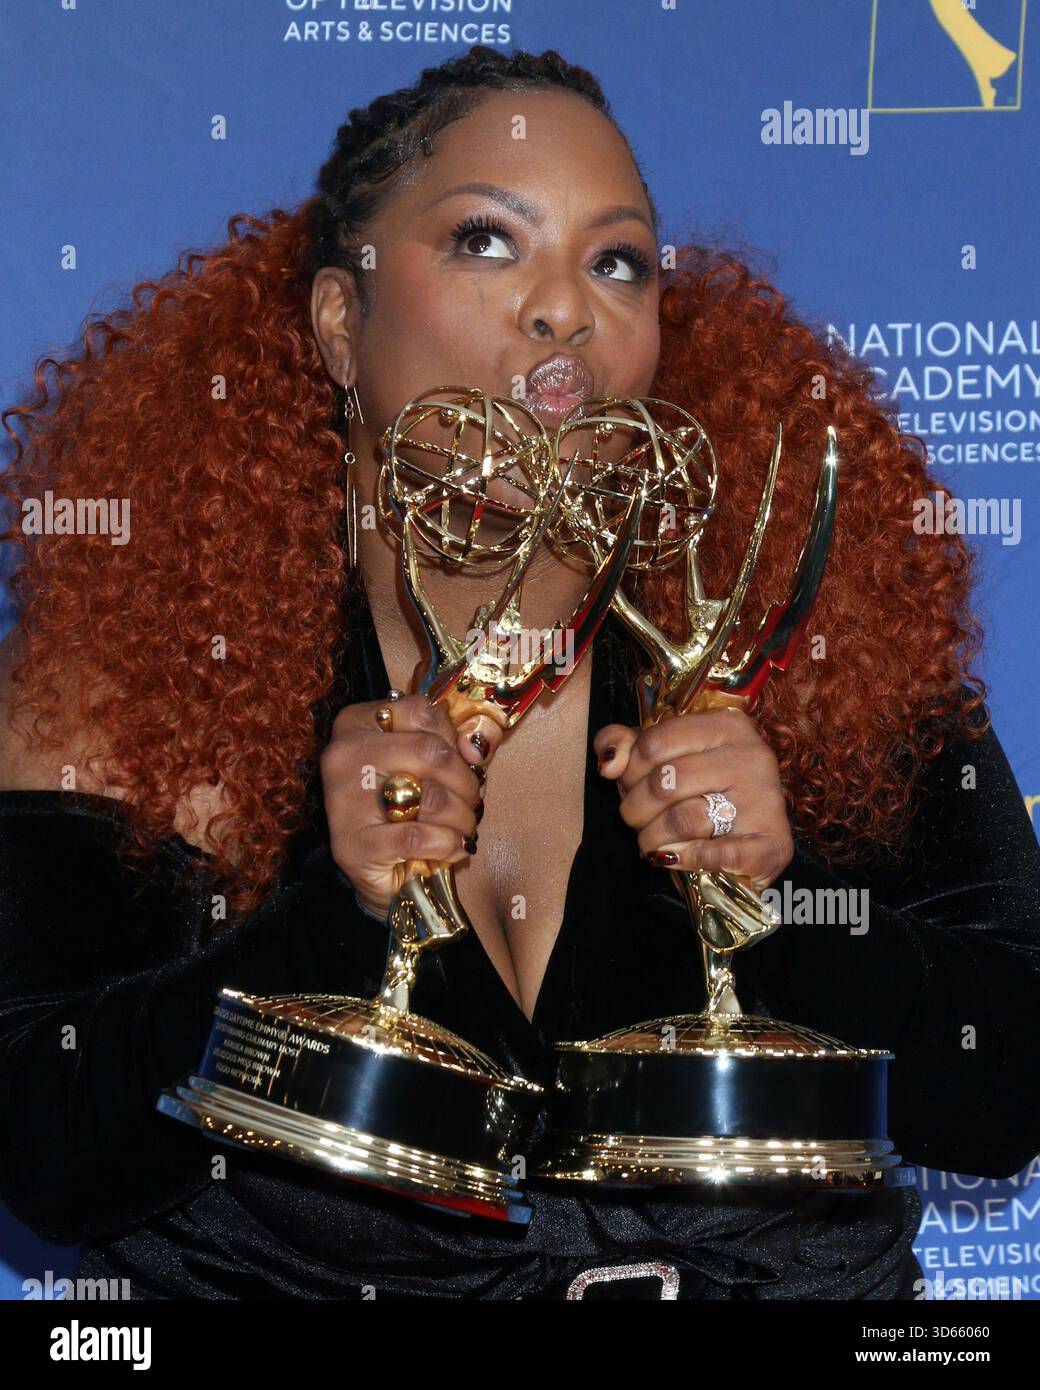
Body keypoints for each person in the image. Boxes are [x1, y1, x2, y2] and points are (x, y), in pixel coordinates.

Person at [0, 44, 1038, 1302]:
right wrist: (330, 920)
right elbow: (44, 1146)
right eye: (488, 241)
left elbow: (1006, 1086)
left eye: (616, 263)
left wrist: (777, 907)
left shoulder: (805, 662)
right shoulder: (141, 691)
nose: (564, 308)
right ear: (340, 321)